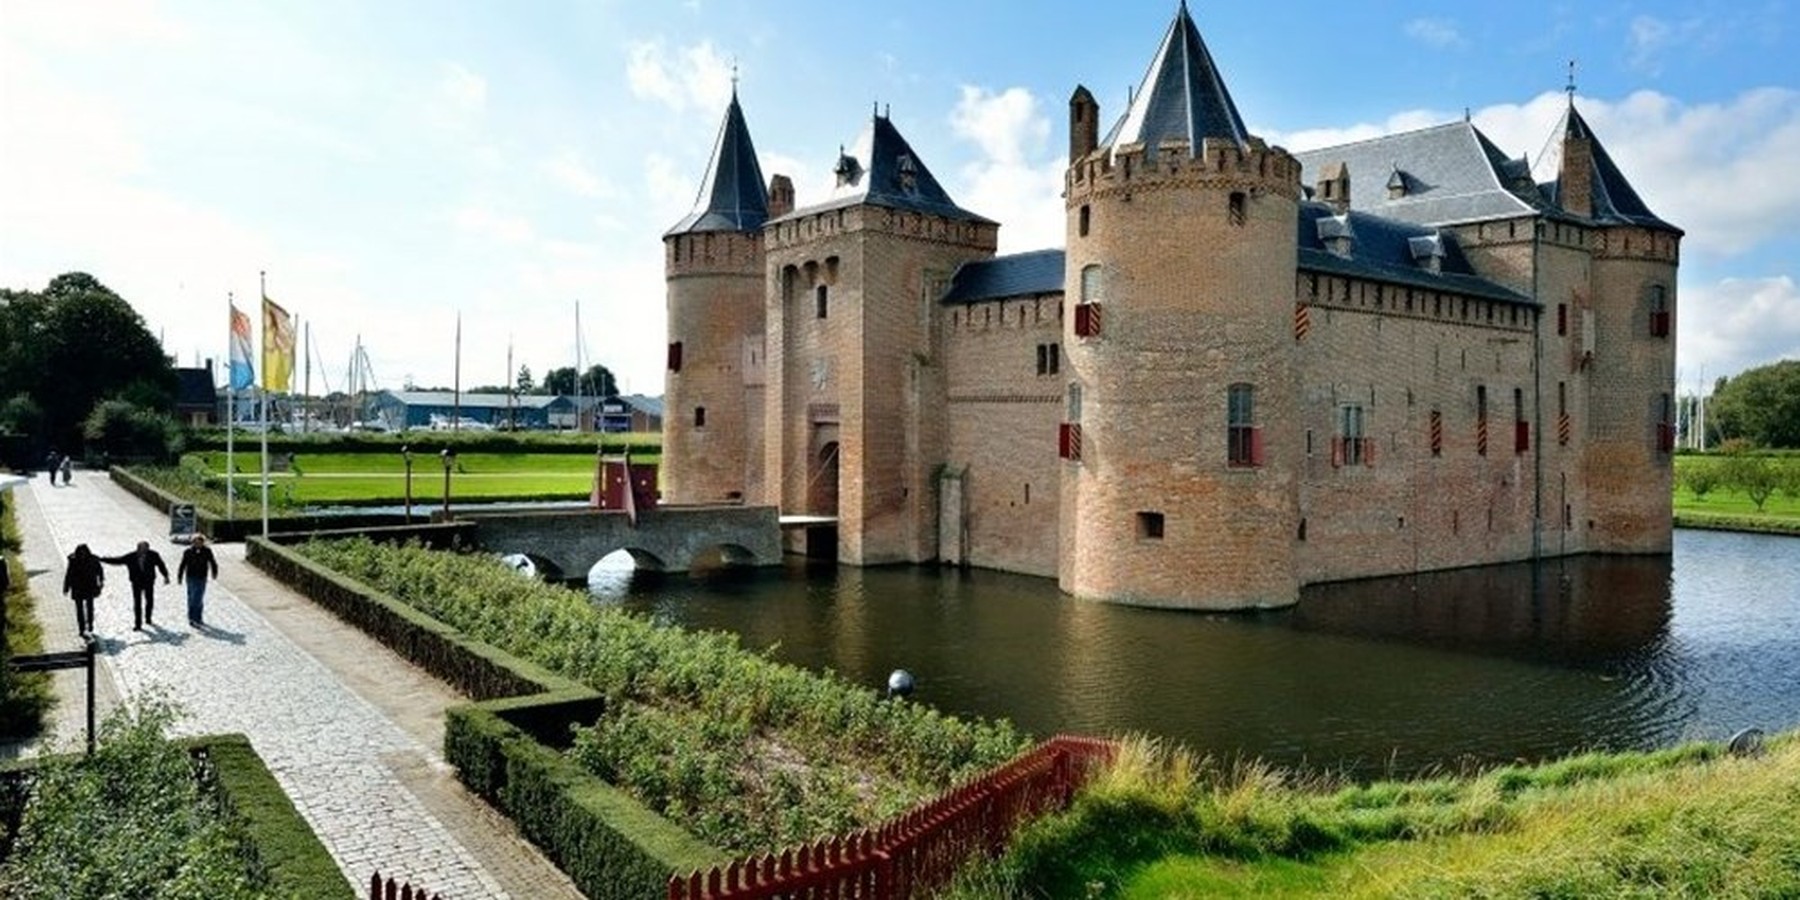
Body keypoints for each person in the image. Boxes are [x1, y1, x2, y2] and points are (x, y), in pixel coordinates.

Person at [101, 541, 171, 630]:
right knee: (137, 603)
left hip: (149, 581)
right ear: (138, 548)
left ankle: (148, 618)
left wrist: (165, 576)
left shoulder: (153, 555)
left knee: (149, 600)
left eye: (146, 548)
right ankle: (138, 624)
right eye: (142, 548)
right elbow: (118, 560)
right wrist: (103, 559)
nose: (144, 550)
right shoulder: (131, 556)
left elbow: (161, 565)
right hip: (136, 582)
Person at [62, 544, 104, 637]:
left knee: (90, 608)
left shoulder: (93, 560)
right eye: (80, 553)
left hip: (89, 587)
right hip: (78, 588)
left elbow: (100, 571)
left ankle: (90, 625)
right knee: (79, 609)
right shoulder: (73, 561)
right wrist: (66, 587)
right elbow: (69, 574)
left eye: (84, 552)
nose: (82, 554)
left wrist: (100, 582)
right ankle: (81, 628)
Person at [176, 534, 219, 627]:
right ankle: (191, 617)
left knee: (198, 598)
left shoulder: (207, 551)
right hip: (190, 577)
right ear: (193, 542)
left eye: (200, 542)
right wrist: (179, 576)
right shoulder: (188, 552)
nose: (198, 544)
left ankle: (197, 618)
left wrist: (214, 572)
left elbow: (212, 562)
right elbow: (183, 564)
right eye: (196, 542)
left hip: (201, 577)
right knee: (191, 597)